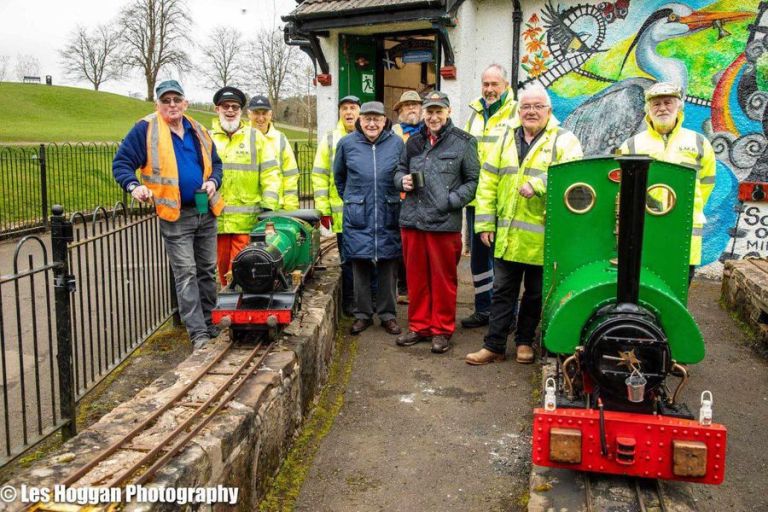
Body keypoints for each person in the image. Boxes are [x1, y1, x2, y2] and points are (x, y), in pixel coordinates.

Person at [465, 83, 583, 365]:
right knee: (502, 291)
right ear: (519, 111)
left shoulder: (564, 140)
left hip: (543, 236)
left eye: (537, 107)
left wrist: (539, 184)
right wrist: (485, 223)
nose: (531, 111)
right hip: (507, 234)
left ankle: (524, 342)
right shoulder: (505, 137)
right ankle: (493, 345)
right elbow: (488, 181)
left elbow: (573, 178)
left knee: (534, 294)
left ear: (549, 111)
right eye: (526, 107)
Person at [112, 80, 225, 349]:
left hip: (205, 209)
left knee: (207, 270)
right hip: (174, 214)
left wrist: (213, 181)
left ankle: (210, 322)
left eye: (176, 100)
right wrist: (134, 186)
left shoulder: (197, 129)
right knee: (186, 273)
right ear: (158, 104)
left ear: (185, 103)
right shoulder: (145, 129)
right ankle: (198, 333)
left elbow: (216, 165)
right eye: (166, 100)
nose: (172, 105)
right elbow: (122, 163)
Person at [394, 91, 479, 354]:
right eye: (429, 112)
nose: (433, 117)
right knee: (416, 278)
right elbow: (399, 169)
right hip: (412, 220)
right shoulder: (414, 141)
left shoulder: (464, 142)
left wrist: (450, 201)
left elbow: (472, 181)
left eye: (438, 111)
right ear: (423, 113)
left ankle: (441, 330)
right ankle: (419, 326)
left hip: (443, 223)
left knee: (443, 280)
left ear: (448, 112)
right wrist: (401, 181)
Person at [619, 82, 716, 282]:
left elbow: (707, 183)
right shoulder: (632, 145)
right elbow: (621, 188)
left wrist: (688, 207)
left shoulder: (698, 143)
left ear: (678, 106)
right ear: (648, 109)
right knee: (644, 285)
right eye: (656, 104)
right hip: (645, 230)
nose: (662, 108)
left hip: (684, 229)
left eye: (668, 102)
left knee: (679, 287)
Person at [334, 101, 404, 336]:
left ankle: (387, 314)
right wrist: (353, 200)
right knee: (360, 264)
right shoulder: (347, 144)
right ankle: (362, 314)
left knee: (388, 264)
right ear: (360, 121)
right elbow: (339, 177)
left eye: (377, 119)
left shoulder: (396, 143)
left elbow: (402, 172)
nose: (372, 123)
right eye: (367, 119)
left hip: (388, 210)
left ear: (384, 121)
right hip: (359, 213)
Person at [461, 64, 519, 329]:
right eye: (486, 84)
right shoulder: (474, 113)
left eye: (495, 84)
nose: (489, 89)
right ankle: (483, 309)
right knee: (479, 261)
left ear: (506, 86)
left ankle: (506, 315)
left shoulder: (516, 113)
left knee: (503, 261)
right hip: (476, 200)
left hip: (503, 200)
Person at [210, 86, 281, 287]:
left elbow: (270, 172)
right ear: (217, 109)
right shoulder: (207, 138)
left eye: (235, 107)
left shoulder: (255, 137)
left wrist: (268, 206)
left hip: (247, 221)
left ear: (241, 111)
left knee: (244, 269)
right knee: (223, 271)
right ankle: (229, 299)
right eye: (225, 106)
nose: (230, 110)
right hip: (217, 220)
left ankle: (242, 300)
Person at [312, 95, 361, 315]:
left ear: (359, 111)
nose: (349, 112)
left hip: (366, 213)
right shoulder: (330, 139)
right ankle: (350, 302)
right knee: (347, 260)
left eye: (353, 108)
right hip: (342, 215)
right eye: (344, 108)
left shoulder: (368, 135)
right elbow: (320, 174)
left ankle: (369, 300)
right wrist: (323, 209)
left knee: (369, 259)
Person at [391, 90, 424, 304]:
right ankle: (403, 287)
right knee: (402, 245)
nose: (412, 108)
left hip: (425, 197)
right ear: (400, 110)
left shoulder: (429, 130)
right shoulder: (393, 133)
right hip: (400, 197)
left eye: (415, 104)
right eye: (407, 105)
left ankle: (420, 288)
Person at [247, 95, 301, 210]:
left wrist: (291, 207)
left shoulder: (280, 139)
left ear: (270, 115)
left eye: (264, 113)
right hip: (247, 208)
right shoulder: (241, 138)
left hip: (276, 208)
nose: (261, 118)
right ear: (249, 114)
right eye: (256, 113)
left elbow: (290, 175)